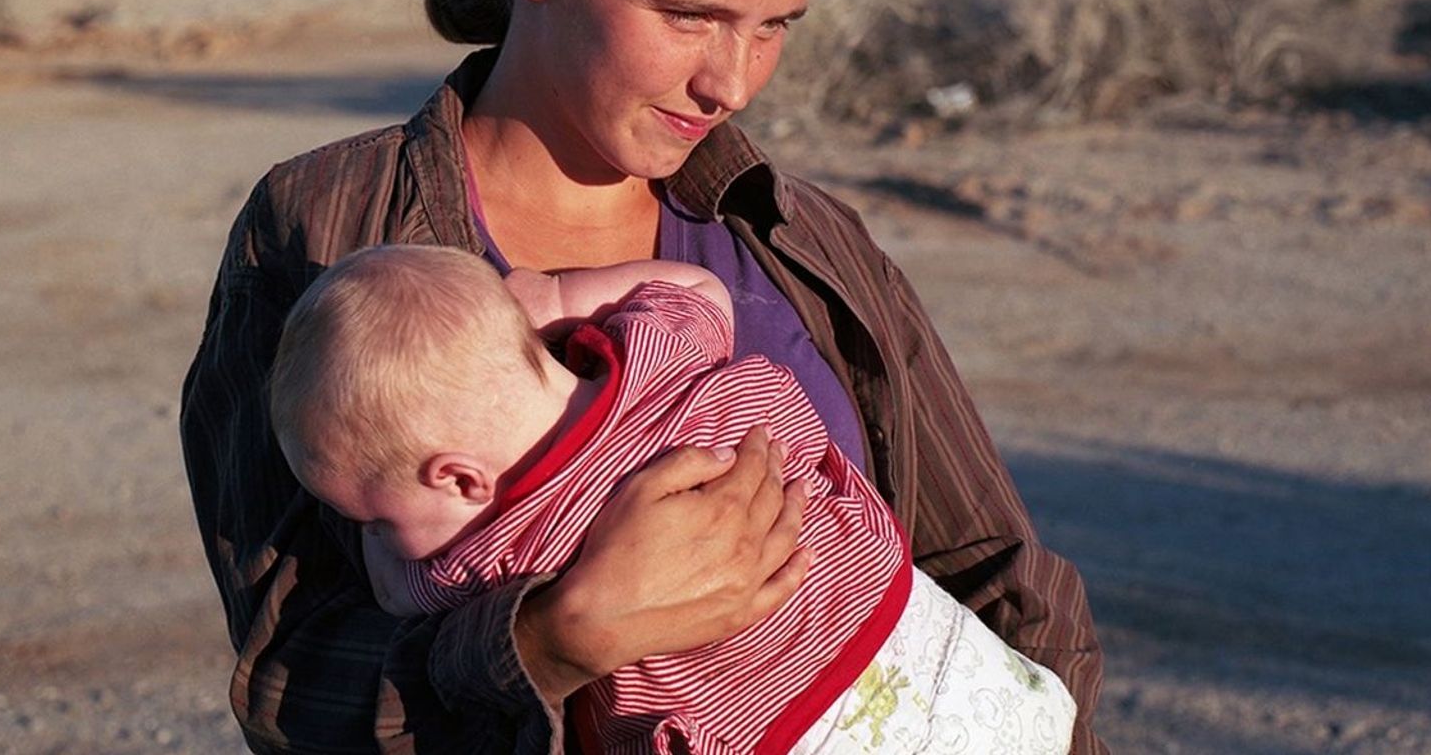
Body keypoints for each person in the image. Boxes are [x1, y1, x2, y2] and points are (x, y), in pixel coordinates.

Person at [180, 0, 1108, 754]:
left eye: (774, 26)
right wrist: (553, 638)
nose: (734, 81)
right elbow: (291, 685)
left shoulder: (796, 237)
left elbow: (996, 571)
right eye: (689, 15)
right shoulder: (326, 234)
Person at [267, 245, 1077, 754]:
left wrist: (386, 548)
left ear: (458, 478)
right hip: (950, 665)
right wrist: (550, 296)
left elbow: (397, 592)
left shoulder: (495, 550)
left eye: (373, 516)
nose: (373, 535)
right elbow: (694, 286)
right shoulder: (658, 352)